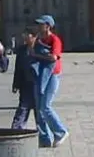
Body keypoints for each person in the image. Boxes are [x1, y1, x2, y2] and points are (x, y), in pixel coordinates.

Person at [32, 15, 69, 148]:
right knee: (39, 107)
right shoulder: (38, 39)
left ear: (48, 26)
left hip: (53, 75)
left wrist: (36, 55)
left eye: (41, 24)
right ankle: (45, 138)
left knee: (45, 106)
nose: (38, 27)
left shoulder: (55, 40)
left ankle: (61, 131)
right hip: (40, 74)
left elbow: (53, 57)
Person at [11, 29, 37, 129]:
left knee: (39, 112)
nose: (25, 37)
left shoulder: (41, 49)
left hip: (37, 85)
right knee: (22, 108)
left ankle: (44, 135)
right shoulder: (22, 50)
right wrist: (15, 84)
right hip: (25, 84)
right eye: (24, 34)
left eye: (27, 35)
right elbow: (18, 68)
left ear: (34, 36)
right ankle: (16, 130)